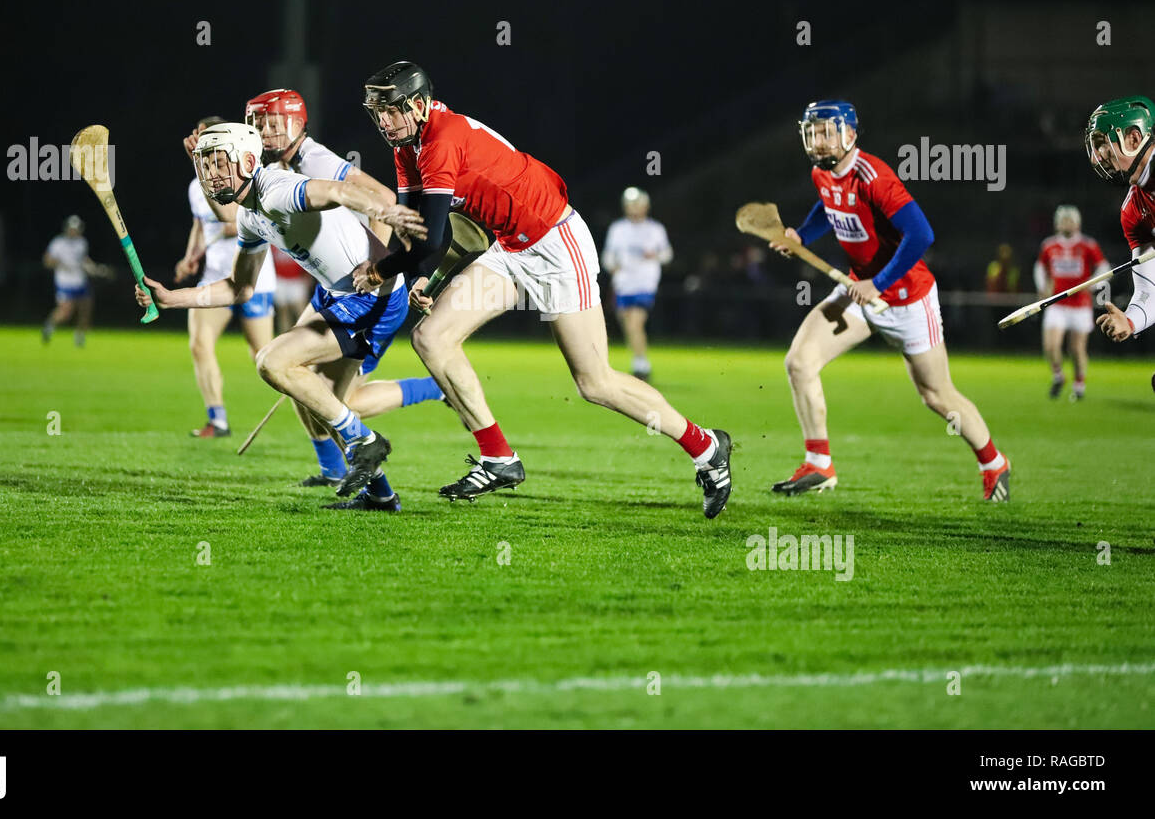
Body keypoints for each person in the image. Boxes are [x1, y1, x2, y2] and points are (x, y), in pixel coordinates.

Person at [352, 62, 733, 518]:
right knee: (431, 338)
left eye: (390, 111)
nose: (384, 122)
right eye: (377, 114)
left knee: (595, 383)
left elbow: (433, 240)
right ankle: (498, 457)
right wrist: (421, 275)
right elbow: (419, 228)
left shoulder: (440, 139)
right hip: (511, 247)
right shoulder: (408, 145)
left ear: (416, 104)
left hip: (555, 242)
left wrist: (381, 271)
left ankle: (707, 447)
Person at [138, 122, 428, 512]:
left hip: (372, 299)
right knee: (325, 401)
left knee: (273, 362)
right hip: (344, 296)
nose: (210, 174)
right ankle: (380, 494)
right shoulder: (248, 216)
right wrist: (172, 298)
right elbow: (239, 288)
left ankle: (365, 440)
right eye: (203, 165)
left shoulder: (277, 190)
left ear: (247, 160)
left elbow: (337, 190)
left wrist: (385, 211)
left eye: (219, 163)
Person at [770, 100, 1011, 502]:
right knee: (799, 362)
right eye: (812, 132)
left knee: (935, 395)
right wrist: (801, 237)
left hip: (907, 299)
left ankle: (993, 462)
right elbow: (827, 207)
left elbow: (921, 234)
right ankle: (819, 464)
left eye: (827, 131)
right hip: (858, 293)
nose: (818, 140)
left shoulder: (874, 176)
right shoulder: (821, 173)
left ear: (850, 133)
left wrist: (878, 283)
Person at [240, 89, 445, 486]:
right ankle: (333, 470)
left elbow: (383, 199)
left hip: (366, 293)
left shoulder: (312, 158)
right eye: (256, 123)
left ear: (297, 123)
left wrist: (381, 266)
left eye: (271, 122)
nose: (262, 131)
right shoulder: (272, 169)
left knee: (340, 400)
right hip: (331, 286)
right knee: (303, 381)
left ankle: (434, 389)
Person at [174, 115, 277, 438]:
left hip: (253, 278)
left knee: (266, 360)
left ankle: (320, 408)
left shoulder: (247, 177)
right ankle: (217, 419)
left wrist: (217, 232)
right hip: (215, 276)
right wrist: (191, 255)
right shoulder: (196, 186)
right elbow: (200, 225)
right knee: (200, 345)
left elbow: (234, 221)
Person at [1084, 96, 1155, 347]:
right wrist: (1130, 320)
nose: (1096, 158)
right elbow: (1150, 290)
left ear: (1133, 139)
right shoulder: (1133, 211)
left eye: (1101, 144)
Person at [1034, 205, 1108, 400]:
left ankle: (1079, 384)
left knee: (1076, 349)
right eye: (1063, 220)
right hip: (1057, 303)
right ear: (1057, 223)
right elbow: (1040, 268)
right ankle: (1058, 376)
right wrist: (1042, 287)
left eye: (1070, 220)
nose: (1066, 223)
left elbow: (1104, 267)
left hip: (1080, 305)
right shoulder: (1049, 245)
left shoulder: (1088, 245)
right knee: (1051, 346)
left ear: (1077, 223)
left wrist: (1092, 285)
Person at [602, 187, 673, 380]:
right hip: (623, 283)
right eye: (629, 204)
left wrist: (655, 255)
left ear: (645, 206)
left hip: (645, 282)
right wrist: (612, 266)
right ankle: (639, 359)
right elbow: (608, 255)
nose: (633, 208)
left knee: (635, 322)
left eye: (636, 204)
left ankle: (641, 365)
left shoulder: (655, 229)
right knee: (627, 323)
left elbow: (667, 254)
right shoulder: (617, 229)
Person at [42, 215, 109, 347]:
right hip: (64, 281)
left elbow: (84, 260)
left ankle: (79, 336)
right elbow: (47, 261)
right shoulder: (58, 243)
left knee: (86, 308)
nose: (74, 231)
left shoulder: (82, 243)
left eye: (77, 229)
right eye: (72, 228)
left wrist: (95, 269)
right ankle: (49, 326)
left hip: (80, 281)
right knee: (65, 312)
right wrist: (59, 263)